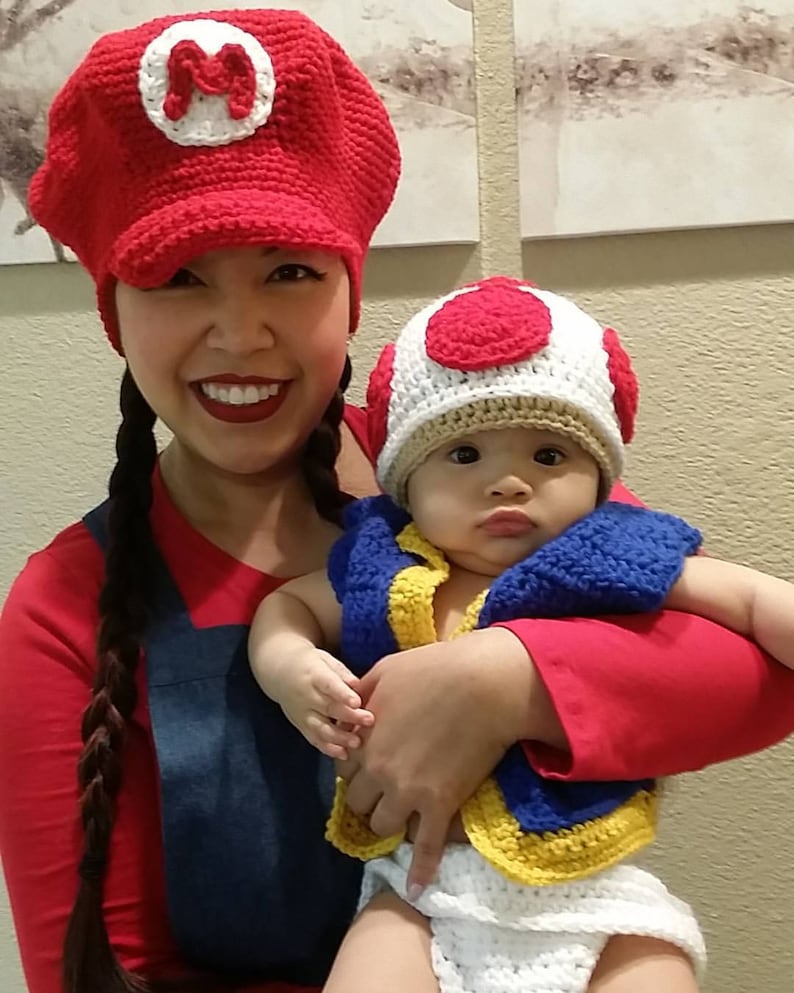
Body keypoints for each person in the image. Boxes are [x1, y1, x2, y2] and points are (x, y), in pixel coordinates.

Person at [1, 9, 794, 993]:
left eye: (289, 272)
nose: (239, 333)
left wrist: (510, 679)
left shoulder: (471, 477)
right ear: (112, 303)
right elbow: (98, 969)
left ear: (349, 283)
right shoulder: (63, 608)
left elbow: (748, 669)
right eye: (175, 278)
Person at [250, 275, 794, 992]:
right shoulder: (380, 567)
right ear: (405, 484)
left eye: (547, 455)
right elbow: (286, 609)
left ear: (599, 480)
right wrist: (290, 669)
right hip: (416, 894)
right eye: (465, 454)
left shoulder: (605, 557)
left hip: (595, 899)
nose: (508, 481)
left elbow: (750, 599)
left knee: (655, 973)